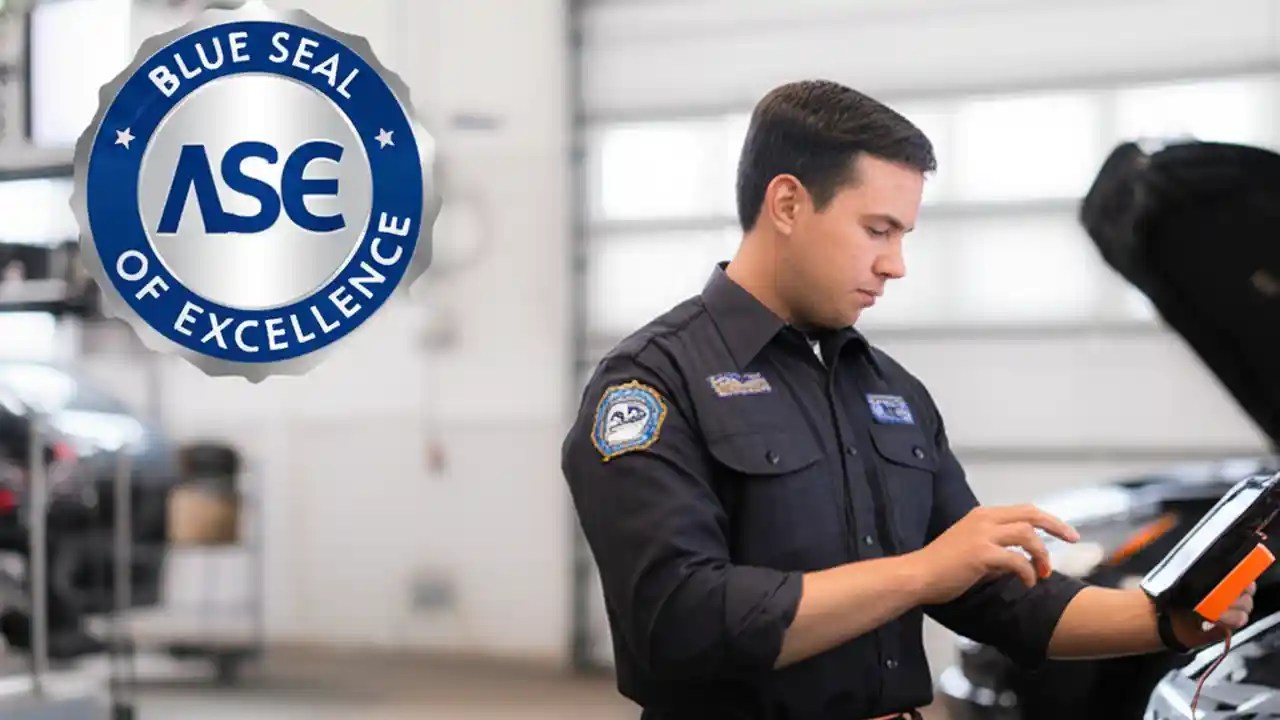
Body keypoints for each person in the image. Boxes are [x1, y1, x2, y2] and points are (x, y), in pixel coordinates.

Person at [560, 79, 1255, 720]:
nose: (896, 264)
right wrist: (921, 573)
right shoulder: (653, 385)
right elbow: (678, 622)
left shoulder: (890, 391)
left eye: (903, 235)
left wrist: (1162, 618)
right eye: (877, 229)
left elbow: (993, 594)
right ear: (788, 204)